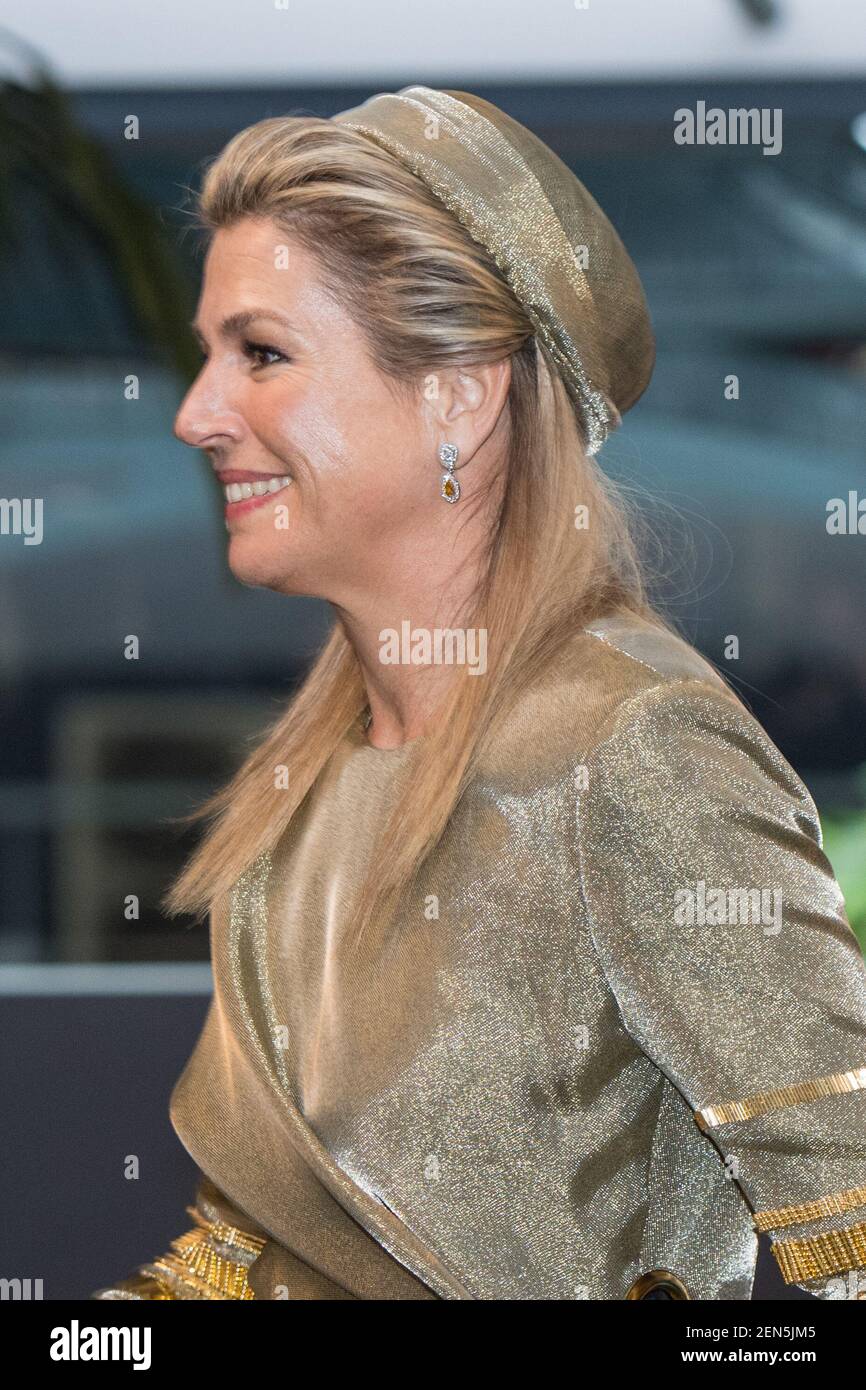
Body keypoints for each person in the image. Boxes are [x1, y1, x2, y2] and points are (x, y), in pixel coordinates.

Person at [93, 86, 866, 1301]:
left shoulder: (634, 744)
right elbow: (238, 1266)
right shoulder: (300, 790)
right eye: (208, 358)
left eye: (262, 354)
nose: (198, 414)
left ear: (458, 392)